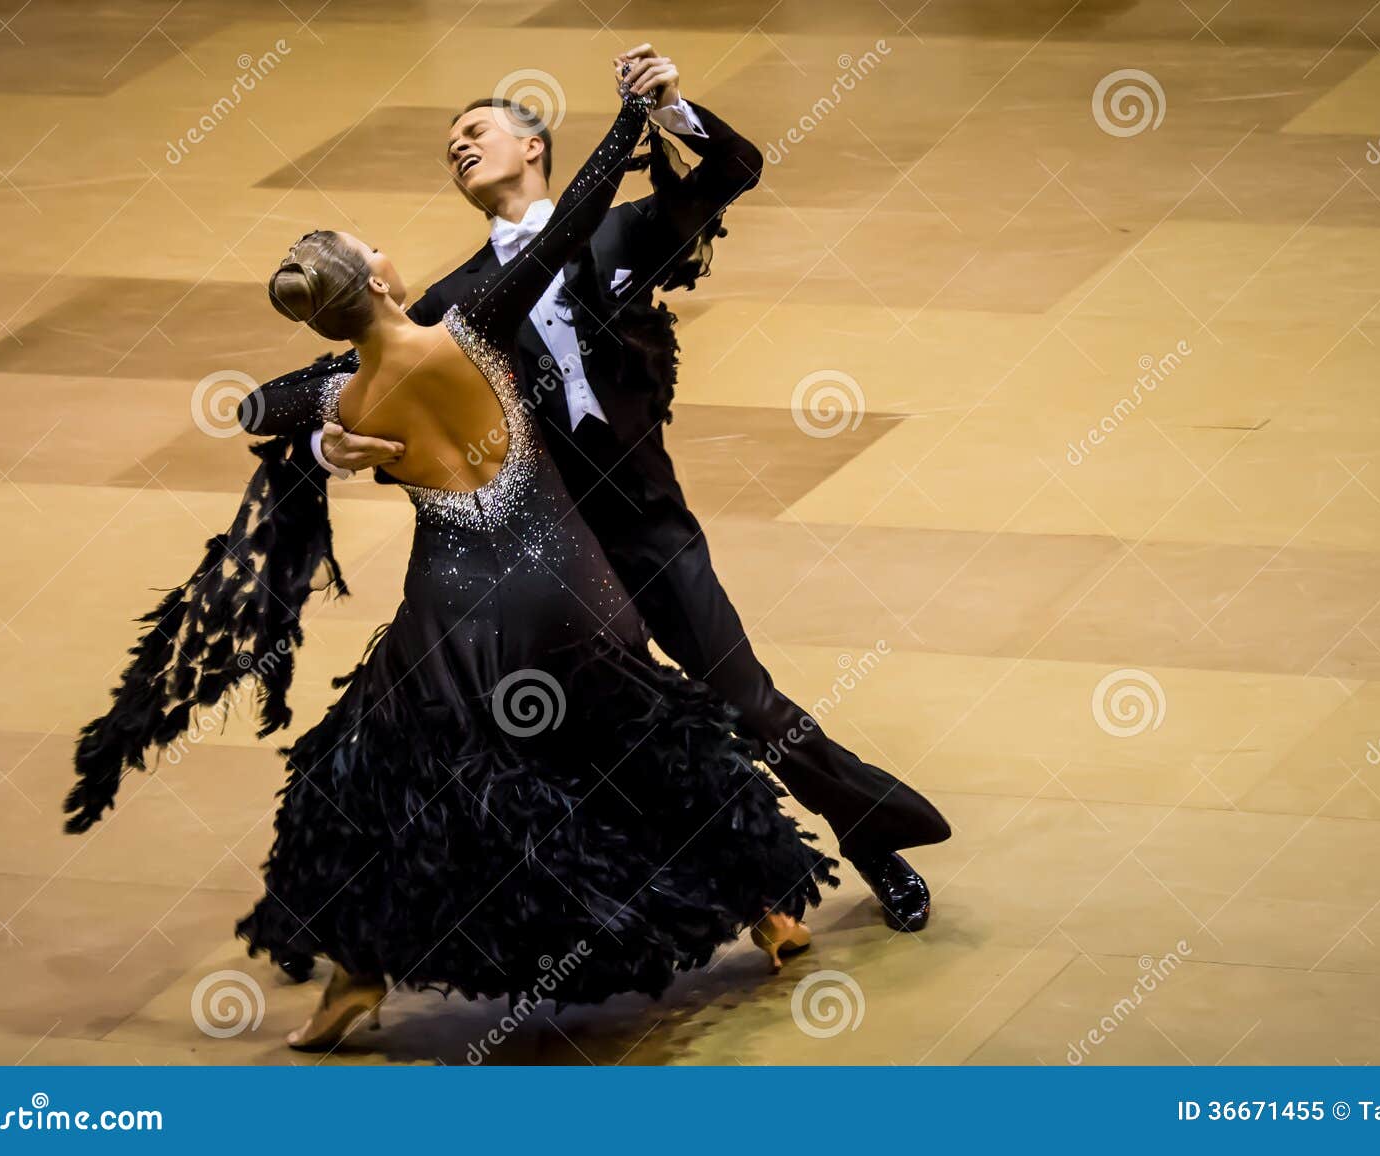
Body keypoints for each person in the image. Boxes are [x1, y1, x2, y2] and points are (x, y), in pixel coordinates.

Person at [65, 69, 833, 1053]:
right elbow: (577, 216)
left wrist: (322, 446)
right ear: (380, 281)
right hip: (563, 584)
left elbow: (257, 405)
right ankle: (770, 904)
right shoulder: (468, 327)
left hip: (452, 606)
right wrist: (632, 119)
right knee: (641, 737)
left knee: (371, 774)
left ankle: (355, 979)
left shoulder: (345, 392)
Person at [264, 44, 950, 933]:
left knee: (745, 703)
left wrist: (670, 108)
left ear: (534, 146)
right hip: (553, 558)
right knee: (591, 738)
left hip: (654, 530)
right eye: (448, 148)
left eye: (475, 130)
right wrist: (326, 440)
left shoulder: (618, 230)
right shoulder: (459, 300)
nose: (460, 147)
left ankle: (867, 838)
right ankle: (673, 903)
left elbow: (734, 169)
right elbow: (313, 385)